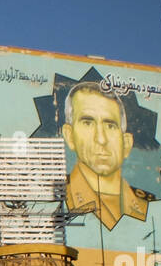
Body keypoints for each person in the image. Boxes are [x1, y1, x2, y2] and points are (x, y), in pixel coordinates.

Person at [61, 81, 154, 230]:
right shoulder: (56, 198)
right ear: (69, 136)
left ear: (126, 143)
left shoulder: (147, 204)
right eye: (88, 123)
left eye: (110, 125)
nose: (101, 139)